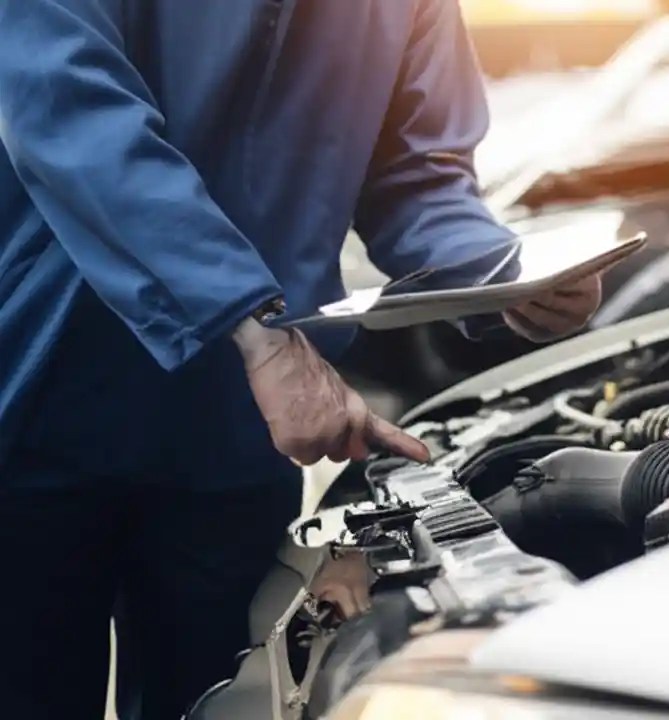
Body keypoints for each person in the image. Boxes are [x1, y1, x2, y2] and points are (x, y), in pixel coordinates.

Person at [0, 1, 604, 718]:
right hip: (37, 394)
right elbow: (71, 115)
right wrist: (252, 326)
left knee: (223, 702)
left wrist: (507, 279)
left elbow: (417, 179)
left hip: (236, 431)